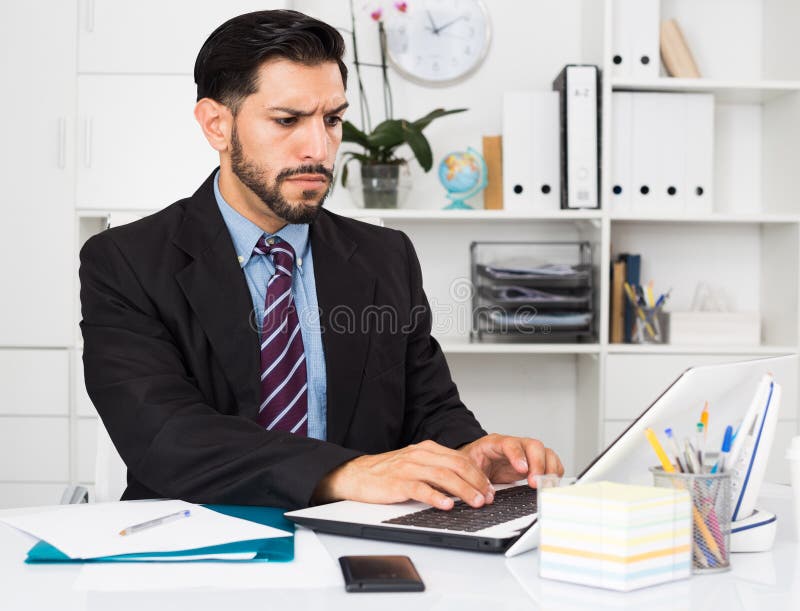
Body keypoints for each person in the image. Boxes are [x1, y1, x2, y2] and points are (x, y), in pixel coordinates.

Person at [79, 9, 563, 511]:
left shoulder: (386, 256)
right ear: (217, 125)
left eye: (332, 120)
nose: (320, 147)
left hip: (353, 534)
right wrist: (341, 473)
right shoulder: (125, 260)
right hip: (193, 536)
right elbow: (164, 434)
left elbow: (428, 405)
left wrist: (469, 450)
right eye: (287, 120)